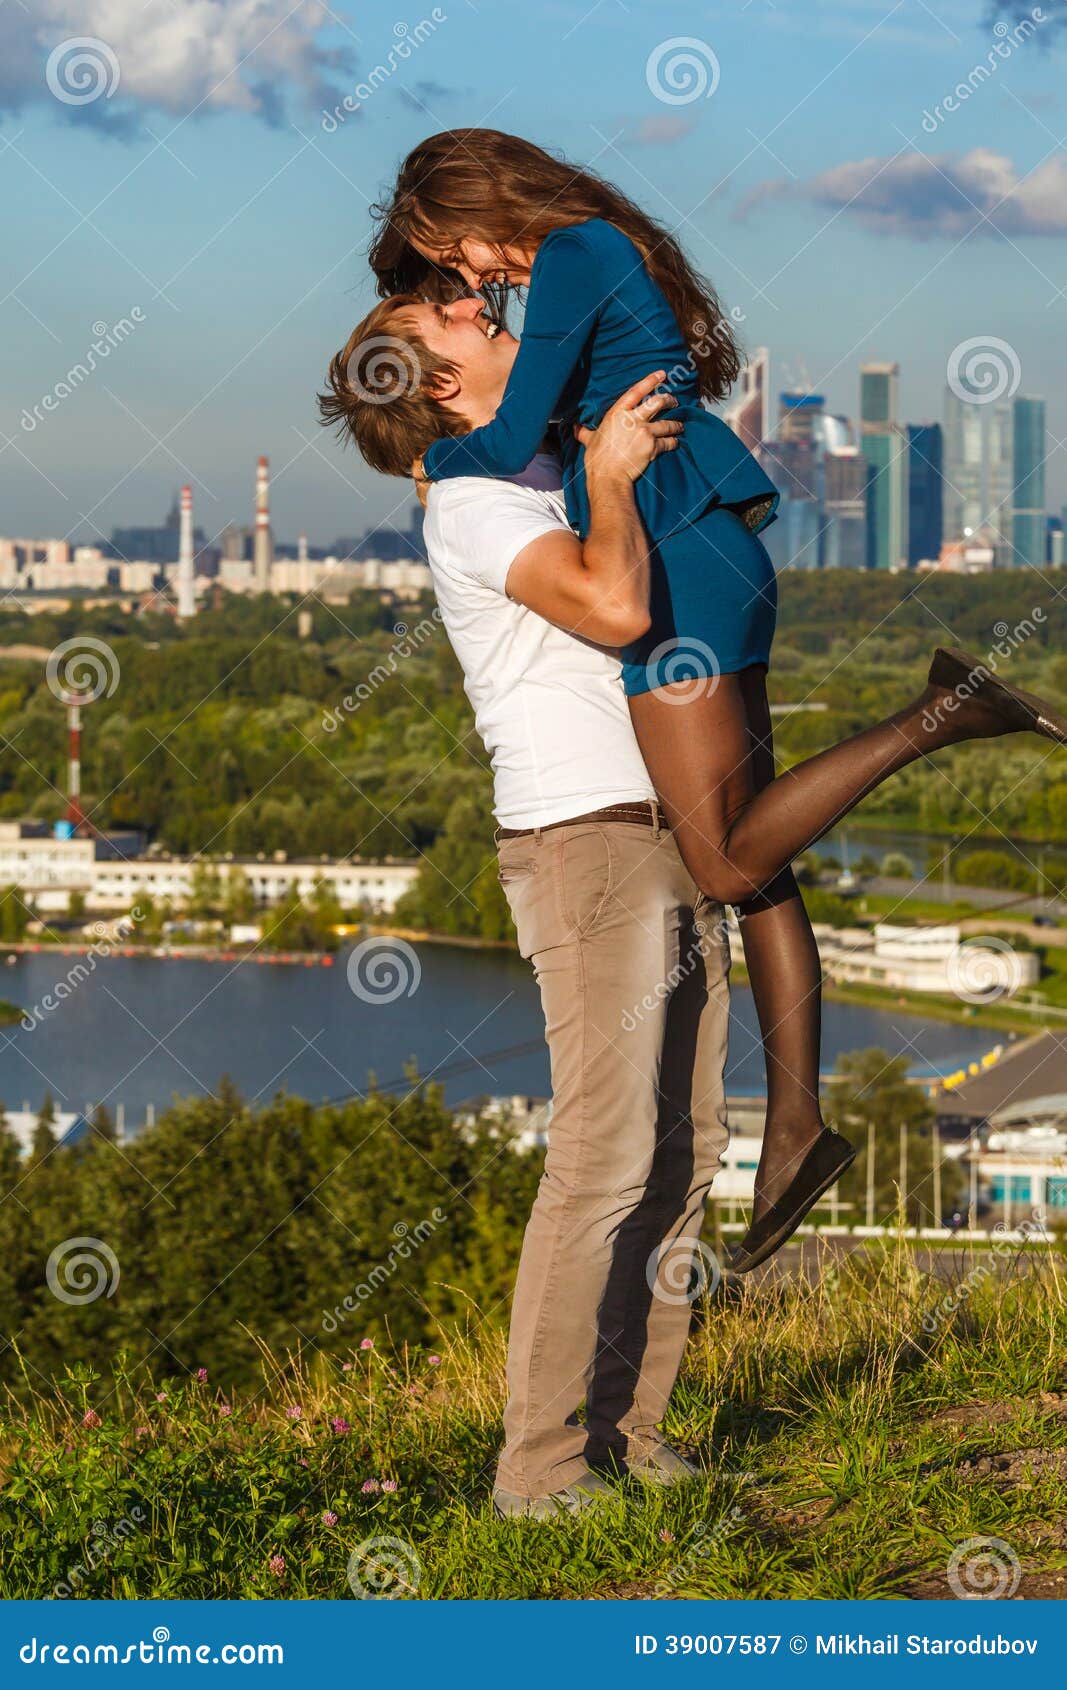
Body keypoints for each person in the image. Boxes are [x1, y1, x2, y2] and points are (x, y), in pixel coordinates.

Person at [367, 127, 1067, 1270]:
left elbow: (495, 435)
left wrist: (425, 465)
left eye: (453, 259)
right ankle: (795, 1128)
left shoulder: (571, 264)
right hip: (709, 544)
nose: (467, 283)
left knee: (728, 864)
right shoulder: (588, 262)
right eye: (447, 279)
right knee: (760, 864)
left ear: (481, 206)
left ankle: (943, 711)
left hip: (681, 565)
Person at [320, 296, 732, 1518]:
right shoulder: (474, 504)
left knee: (688, 1148)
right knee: (602, 1155)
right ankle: (537, 1471)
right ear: (441, 388)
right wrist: (607, 477)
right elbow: (611, 607)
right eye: (445, 313)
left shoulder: (529, 458)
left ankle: (633, 1437)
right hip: (584, 843)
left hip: (668, 826)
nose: (478, 304)